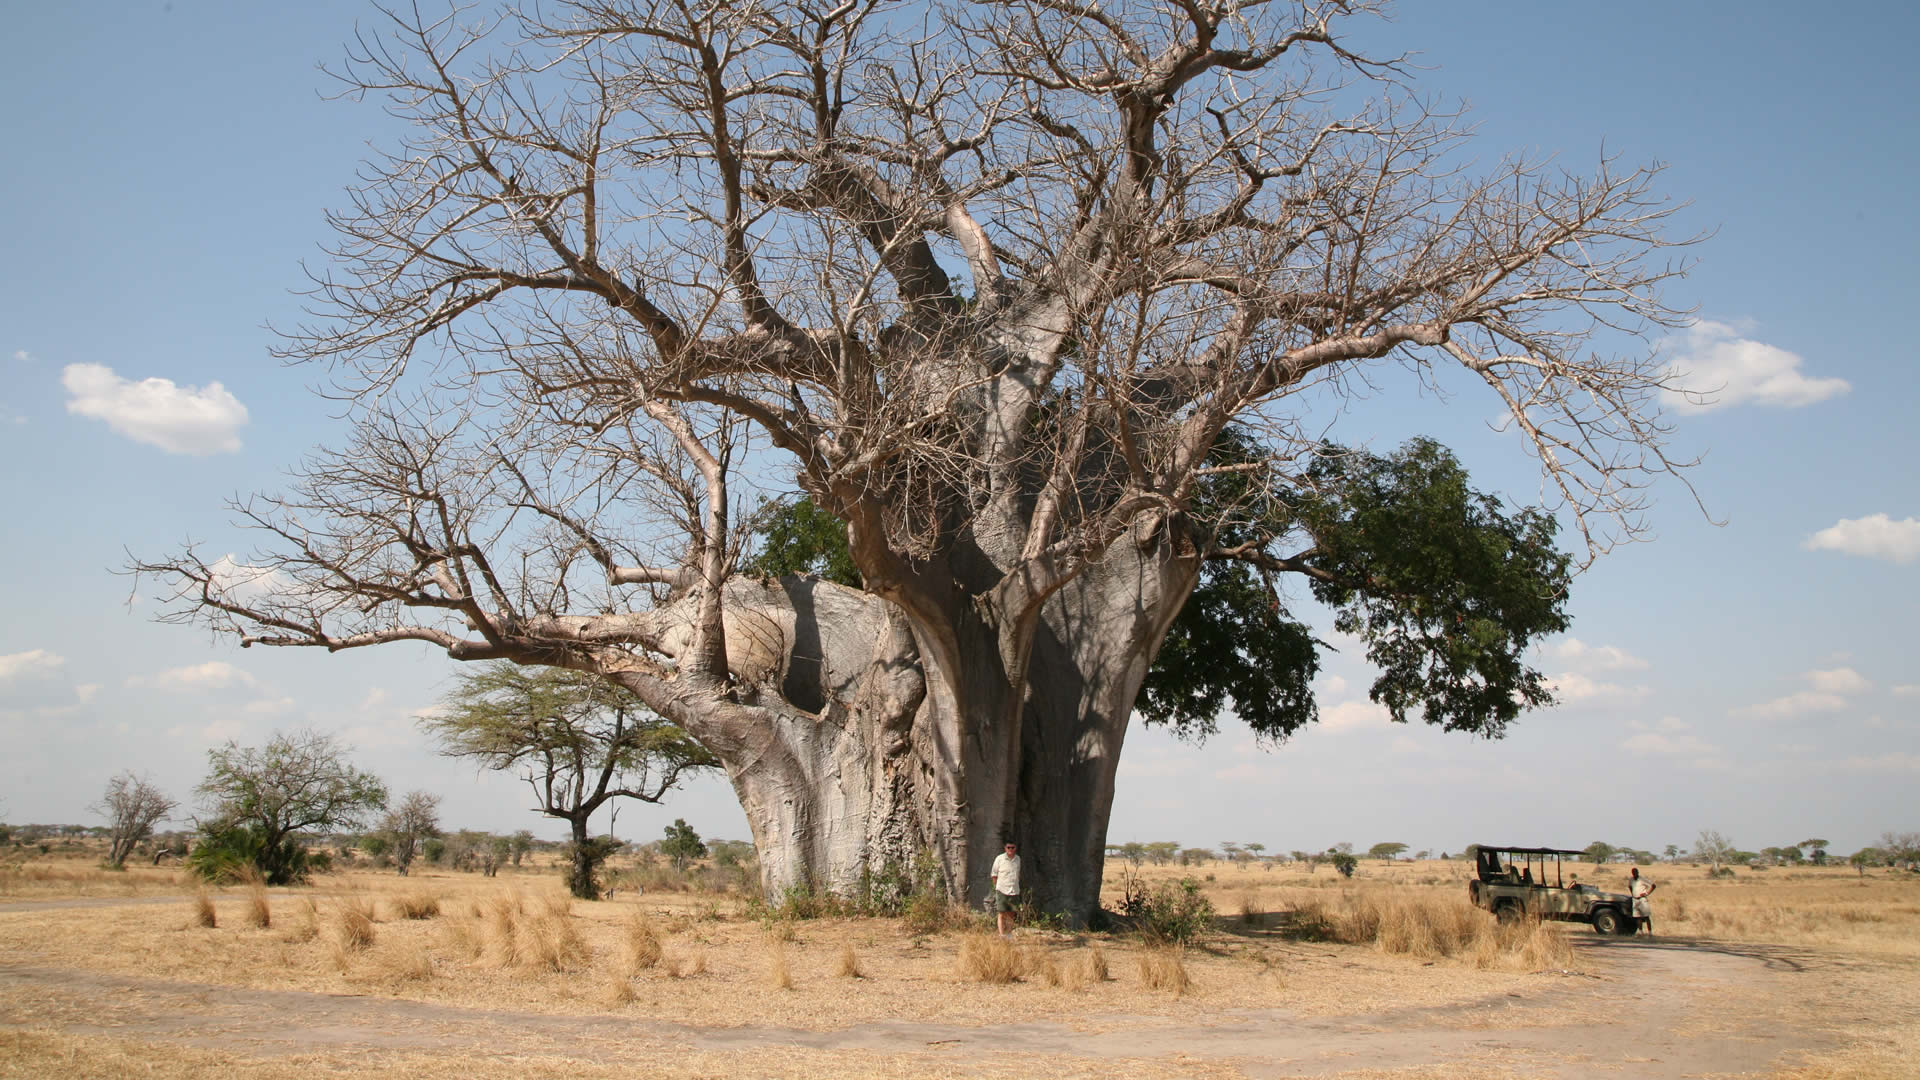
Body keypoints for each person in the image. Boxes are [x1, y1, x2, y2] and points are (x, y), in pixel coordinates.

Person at [990, 840, 1022, 937]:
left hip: (1014, 890)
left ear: (1015, 848)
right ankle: (1002, 935)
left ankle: (1009, 934)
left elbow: (1018, 874)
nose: (1010, 849)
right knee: (1001, 913)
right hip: (1002, 889)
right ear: (1005, 848)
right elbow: (994, 875)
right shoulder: (999, 859)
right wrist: (997, 887)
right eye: (1008, 847)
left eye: (1013, 847)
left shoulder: (1018, 859)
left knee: (1011, 914)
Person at [1629, 866, 1656, 935]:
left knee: (1646, 916)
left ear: (1638, 872)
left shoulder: (1642, 879)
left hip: (1642, 900)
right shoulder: (1631, 880)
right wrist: (1633, 894)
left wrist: (1646, 893)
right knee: (1638, 917)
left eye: (1635, 872)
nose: (1634, 874)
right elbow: (1629, 886)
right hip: (1635, 899)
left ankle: (1650, 932)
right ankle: (1641, 932)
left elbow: (1653, 885)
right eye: (1633, 873)